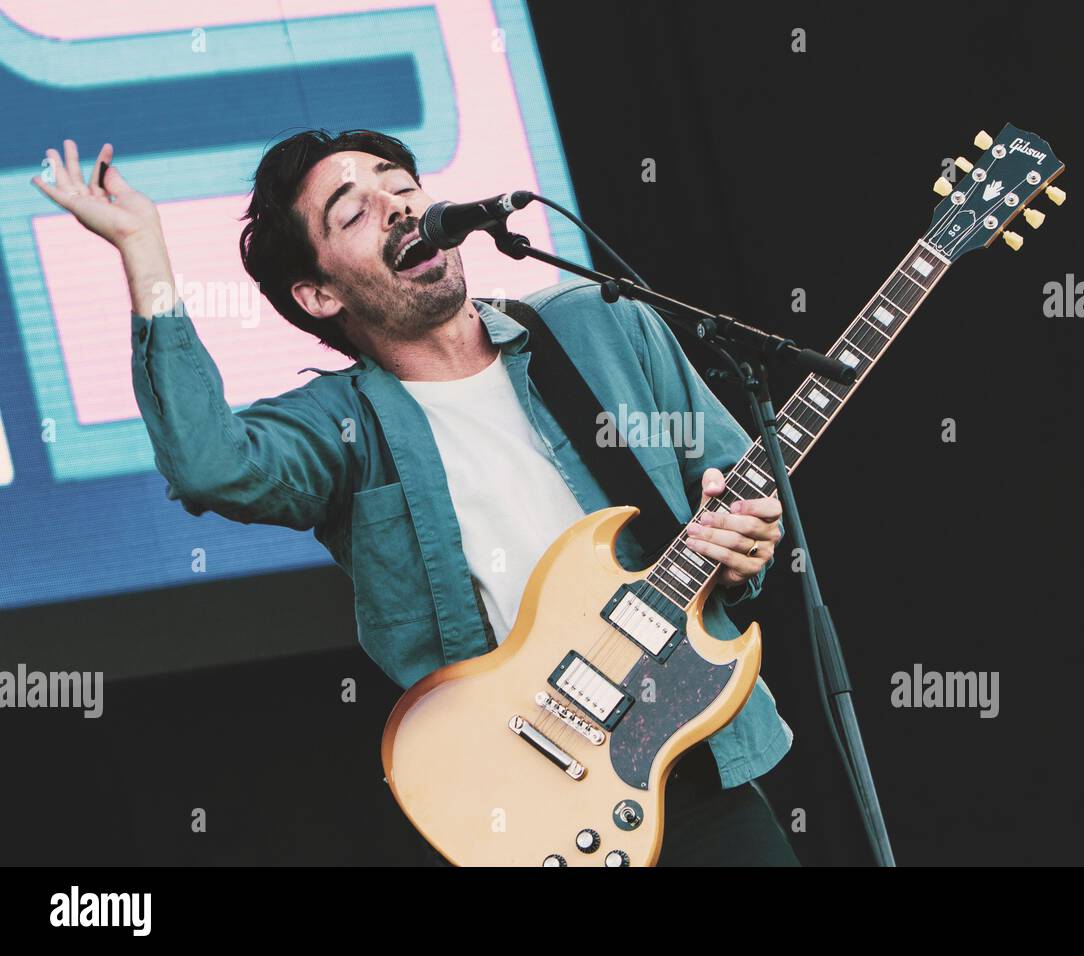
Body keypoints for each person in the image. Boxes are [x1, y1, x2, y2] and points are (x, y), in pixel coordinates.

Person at [31, 130, 800, 866]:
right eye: (353, 210)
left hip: (691, 761)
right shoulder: (342, 427)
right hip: (525, 802)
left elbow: (736, 507)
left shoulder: (603, 326)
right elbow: (207, 467)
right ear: (319, 294)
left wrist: (746, 548)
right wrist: (144, 253)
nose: (396, 207)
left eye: (402, 189)